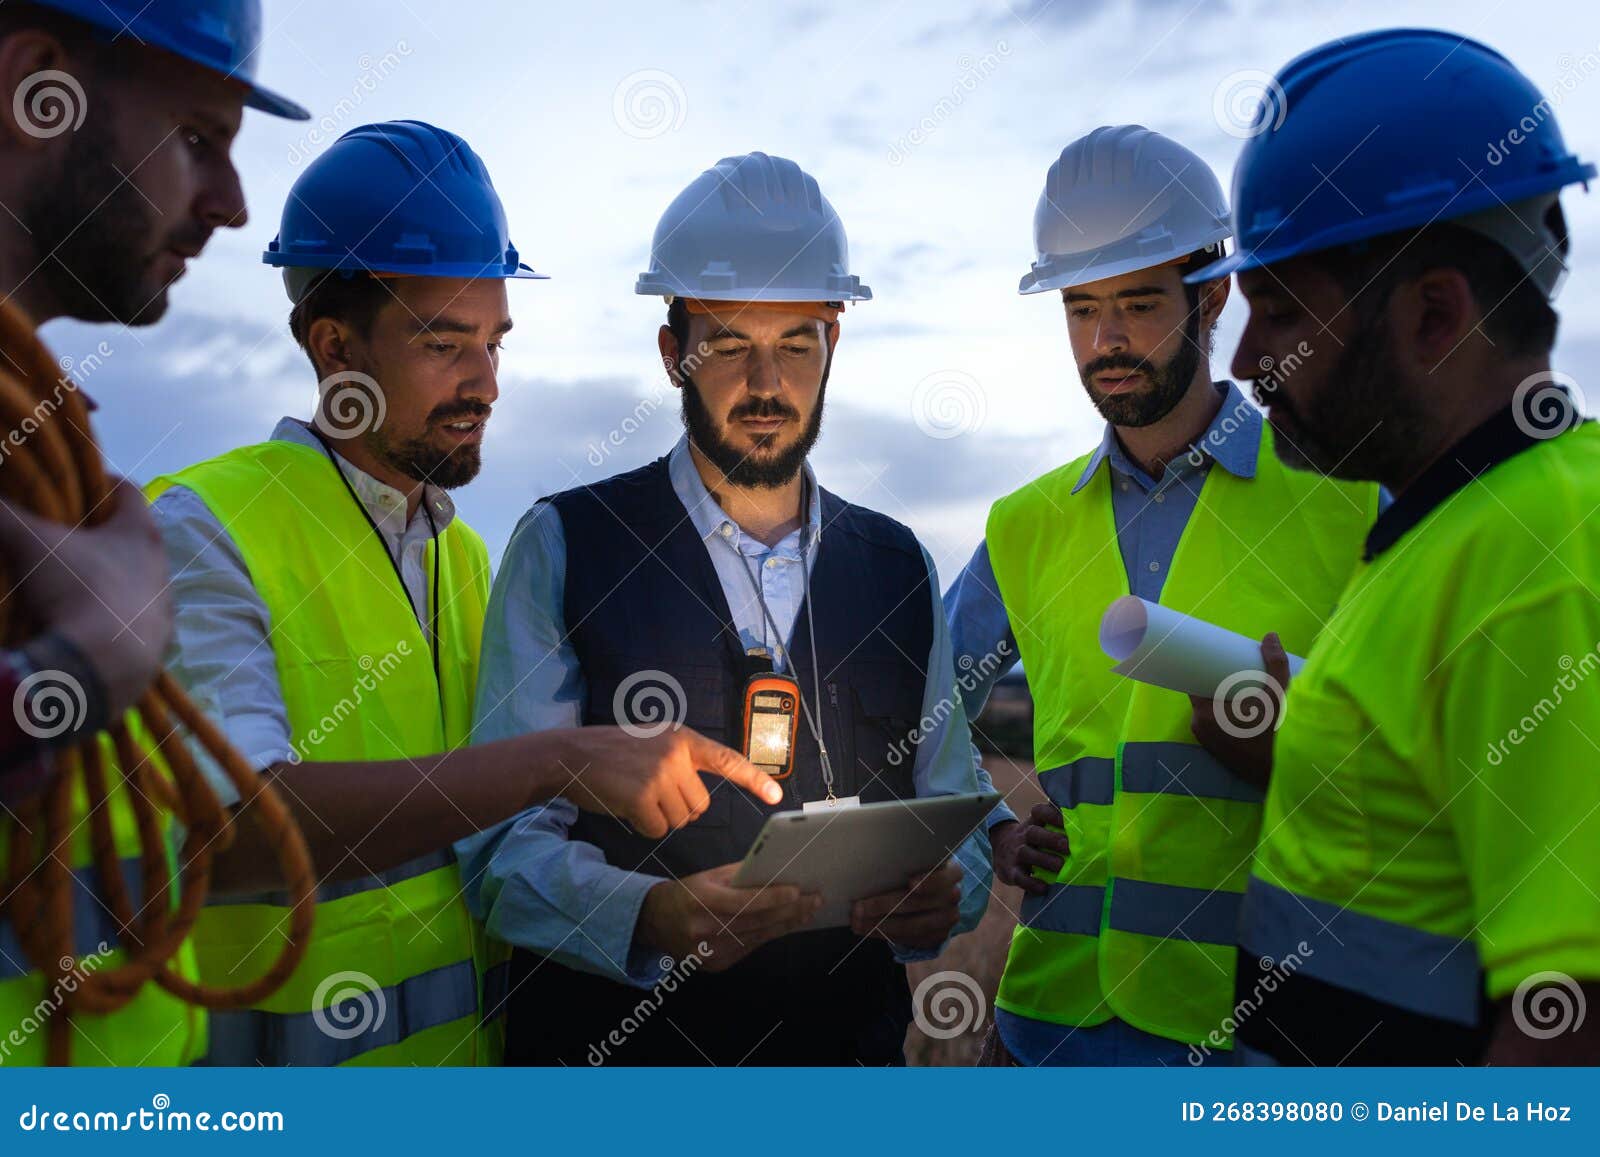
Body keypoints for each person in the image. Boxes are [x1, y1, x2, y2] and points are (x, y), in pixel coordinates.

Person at [148, 123, 780, 1066]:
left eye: (494, 343)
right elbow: (232, 832)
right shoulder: (205, 527)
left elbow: (497, 854)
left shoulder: (469, 559)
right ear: (332, 346)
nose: (485, 383)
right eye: (445, 344)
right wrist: (553, 759)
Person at [459, 152, 1004, 1065]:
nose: (767, 383)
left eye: (795, 343)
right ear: (673, 351)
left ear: (836, 342)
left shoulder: (900, 567)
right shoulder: (565, 543)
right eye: (728, 344)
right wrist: (650, 914)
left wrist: (952, 893)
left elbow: (960, 806)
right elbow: (500, 852)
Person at [1187, 28, 1600, 1065]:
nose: (1240, 361)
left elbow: (1568, 1020)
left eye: (1279, 312)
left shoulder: (1535, 560)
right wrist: (1293, 754)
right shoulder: (1449, 522)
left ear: (1432, 315)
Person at [945, 125, 1379, 1065]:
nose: (1107, 341)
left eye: (1139, 305)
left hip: (1254, 1033)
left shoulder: (1348, 505)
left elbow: (1433, 759)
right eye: (1080, 308)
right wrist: (988, 828)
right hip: (1045, 1029)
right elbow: (919, 707)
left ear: (1212, 296)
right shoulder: (1024, 526)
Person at [0, 0, 311, 1067]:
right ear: (38, 88)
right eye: (199, 140)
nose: (229, 203)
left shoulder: (41, 442)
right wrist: (82, 665)